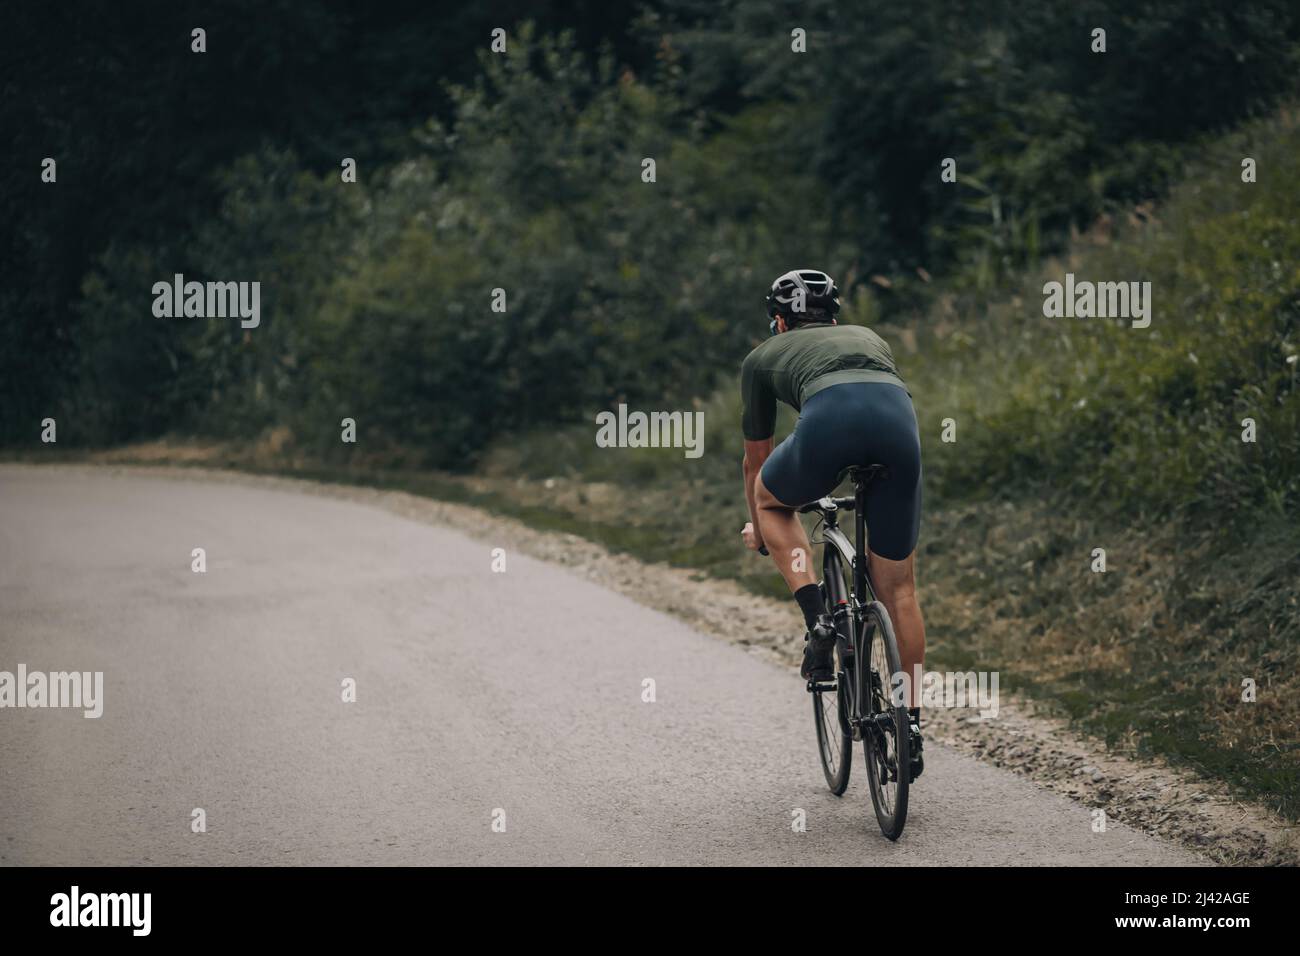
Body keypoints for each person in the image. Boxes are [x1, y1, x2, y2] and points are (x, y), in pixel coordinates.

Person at [739, 269, 926, 780]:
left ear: (779, 320)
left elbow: (758, 459)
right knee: (900, 592)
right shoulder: (870, 338)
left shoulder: (761, 358)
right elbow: (872, 396)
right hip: (897, 428)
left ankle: (818, 615)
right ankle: (908, 721)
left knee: (772, 502)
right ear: (834, 316)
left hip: (827, 426)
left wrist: (758, 523)